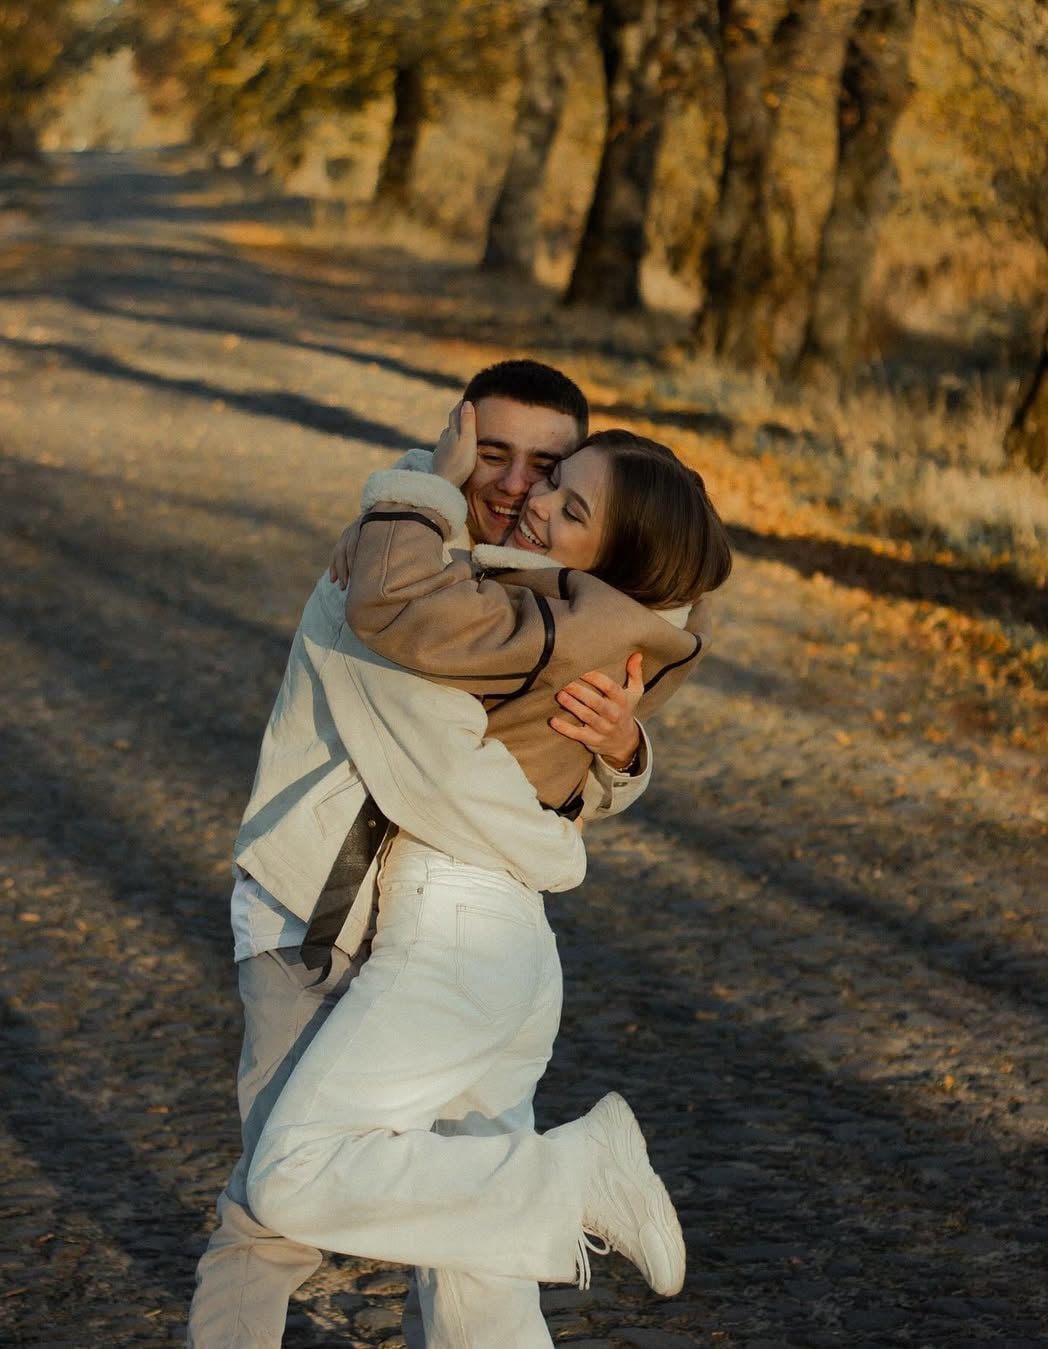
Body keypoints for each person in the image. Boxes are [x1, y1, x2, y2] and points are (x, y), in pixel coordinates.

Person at [187, 362, 679, 1348]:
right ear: (453, 443)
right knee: (279, 1206)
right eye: (491, 453)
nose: (515, 483)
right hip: (319, 919)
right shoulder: (386, 581)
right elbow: (445, 781)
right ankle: (574, 1175)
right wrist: (558, 847)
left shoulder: (541, 592)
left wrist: (623, 749)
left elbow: (551, 758)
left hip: (455, 930)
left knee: (474, 1233)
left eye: (545, 467)